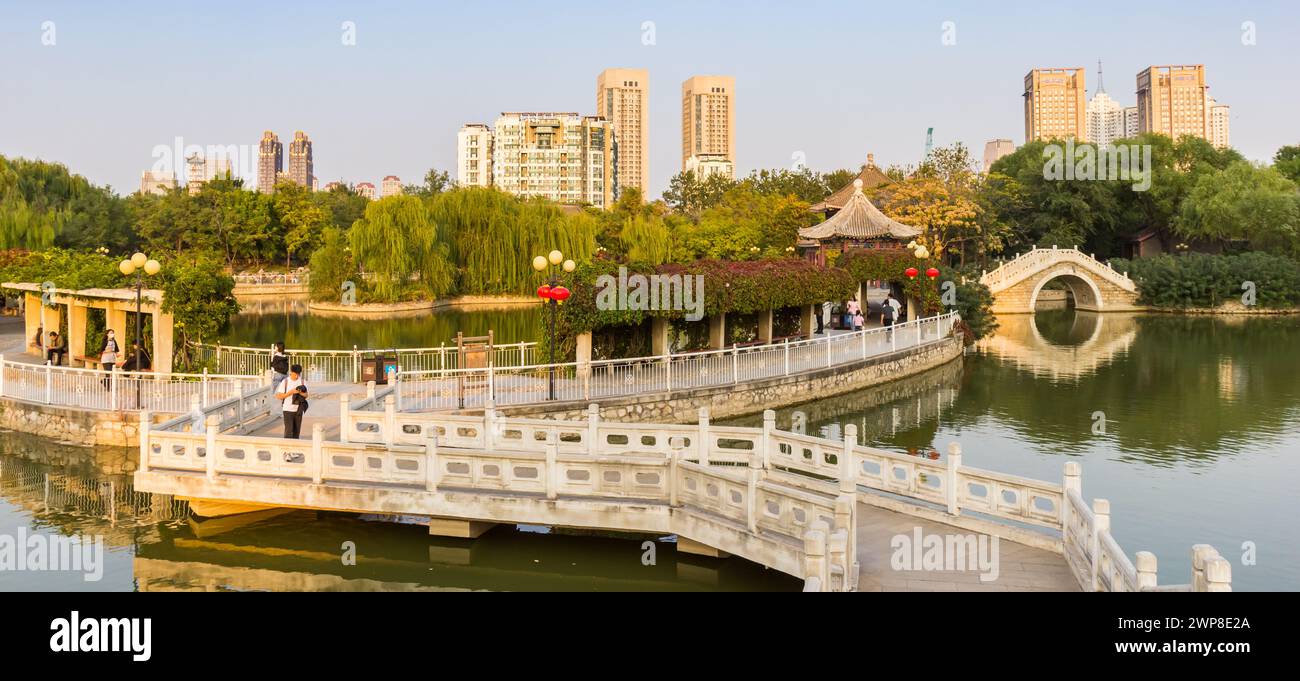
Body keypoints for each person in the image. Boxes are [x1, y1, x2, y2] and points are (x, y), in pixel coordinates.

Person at [275, 364, 308, 439]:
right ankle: (287, 450)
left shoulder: (303, 381)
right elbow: (279, 396)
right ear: (291, 372)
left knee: (297, 432)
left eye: (298, 374)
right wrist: (291, 392)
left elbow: (306, 395)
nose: (296, 376)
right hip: (287, 409)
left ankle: (295, 449)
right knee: (288, 432)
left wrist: (299, 392)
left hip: (299, 409)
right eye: (295, 374)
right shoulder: (285, 381)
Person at [270, 341, 290, 416]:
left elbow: (273, 366)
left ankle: (267, 403)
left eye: (275, 347)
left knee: (272, 390)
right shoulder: (285, 356)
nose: (275, 348)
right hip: (285, 375)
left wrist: (271, 363)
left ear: (278, 348)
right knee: (285, 390)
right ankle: (284, 403)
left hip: (278, 375)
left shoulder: (276, 356)